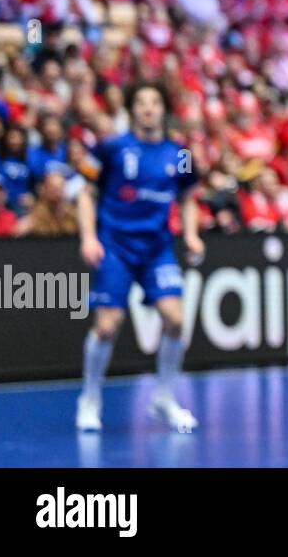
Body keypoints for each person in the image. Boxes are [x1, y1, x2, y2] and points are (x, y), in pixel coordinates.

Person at [76, 82, 205, 433]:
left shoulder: (180, 153)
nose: (148, 108)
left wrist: (191, 235)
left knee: (176, 320)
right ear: (132, 109)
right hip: (115, 245)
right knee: (107, 326)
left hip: (157, 248)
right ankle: (90, 398)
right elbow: (86, 194)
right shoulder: (110, 148)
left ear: (164, 110)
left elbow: (189, 197)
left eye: (156, 102)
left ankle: (164, 398)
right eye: (142, 102)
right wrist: (89, 238)